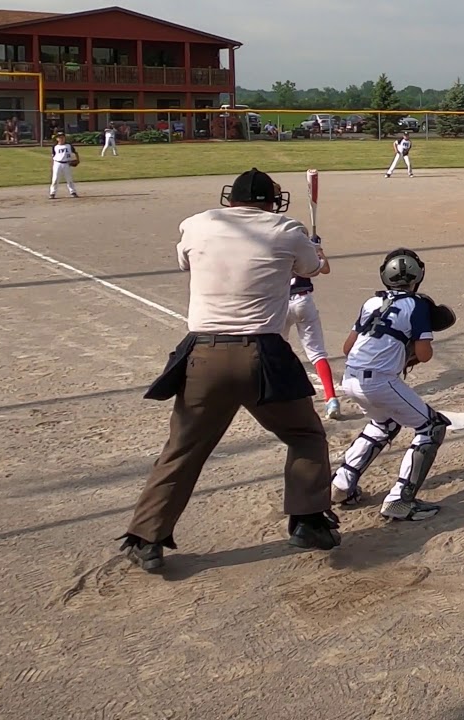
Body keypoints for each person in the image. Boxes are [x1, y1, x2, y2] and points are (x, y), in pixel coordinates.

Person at [120, 167, 342, 572]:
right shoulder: (287, 229)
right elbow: (311, 269)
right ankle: (308, 522)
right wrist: (313, 248)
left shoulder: (198, 224)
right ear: (271, 202)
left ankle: (146, 538)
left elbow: (188, 263)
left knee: (183, 449)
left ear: (230, 198)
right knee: (305, 435)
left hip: (202, 356)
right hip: (266, 357)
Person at [329, 248, 457, 521]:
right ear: (418, 276)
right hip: (379, 381)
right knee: (431, 427)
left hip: (350, 378)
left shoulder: (370, 303)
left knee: (383, 424)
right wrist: (407, 353)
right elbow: (424, 354)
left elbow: (348, 347)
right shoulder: (418, 305)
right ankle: (400, 500)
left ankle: (341, 484)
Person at [284, 235, 343, 420]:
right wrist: (317, 250)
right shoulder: (305, 253)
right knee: (317, 354)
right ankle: (331, 399)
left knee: (273, 349)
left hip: (281, 304)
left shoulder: (278, 251)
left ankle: (280, 397)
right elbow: (324, 269)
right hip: (304, 302)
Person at [49, 131, 79, 199]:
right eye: (59, 137)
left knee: (69, 179)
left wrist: (77, 159)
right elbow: (53, 156)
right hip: (57, 163)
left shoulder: (69, 146)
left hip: (67, 164)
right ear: (57, 139)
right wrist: (53, 165)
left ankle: (73, 192)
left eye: (62, 137)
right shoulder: (55, 147)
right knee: (55, 179)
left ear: (65, 138)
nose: (61, 139)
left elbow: (75, 153)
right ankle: (52, 193)